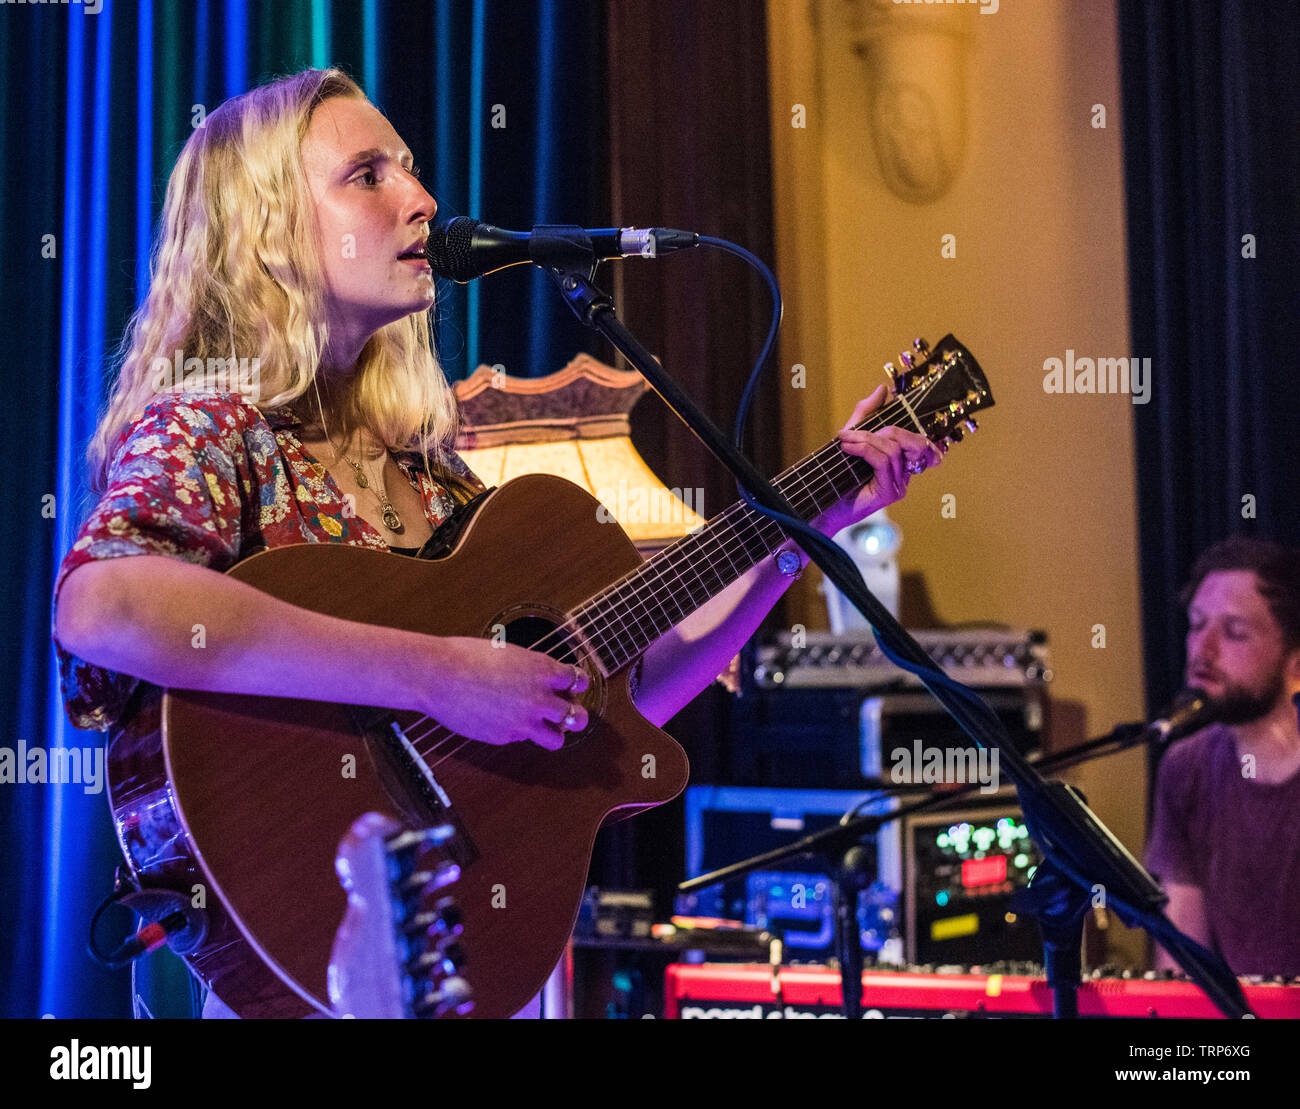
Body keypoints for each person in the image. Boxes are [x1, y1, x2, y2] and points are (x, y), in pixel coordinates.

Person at [50, 67, 942, 1018]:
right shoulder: (214, 425)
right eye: (368, 175)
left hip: (453, 945)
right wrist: (436, 674)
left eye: (410, 169)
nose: (423, 200)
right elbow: (106, 605)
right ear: (267, 230)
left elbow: (619, 693)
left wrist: (799, 538)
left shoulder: (428, 469)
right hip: (303, 935)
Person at [1145, 538, 1300, 977]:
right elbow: (1181, 962)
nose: (1203, 650)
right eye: (1197, 626)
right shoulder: (1184, 766)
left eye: (1234, 632)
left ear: (1294, 657)